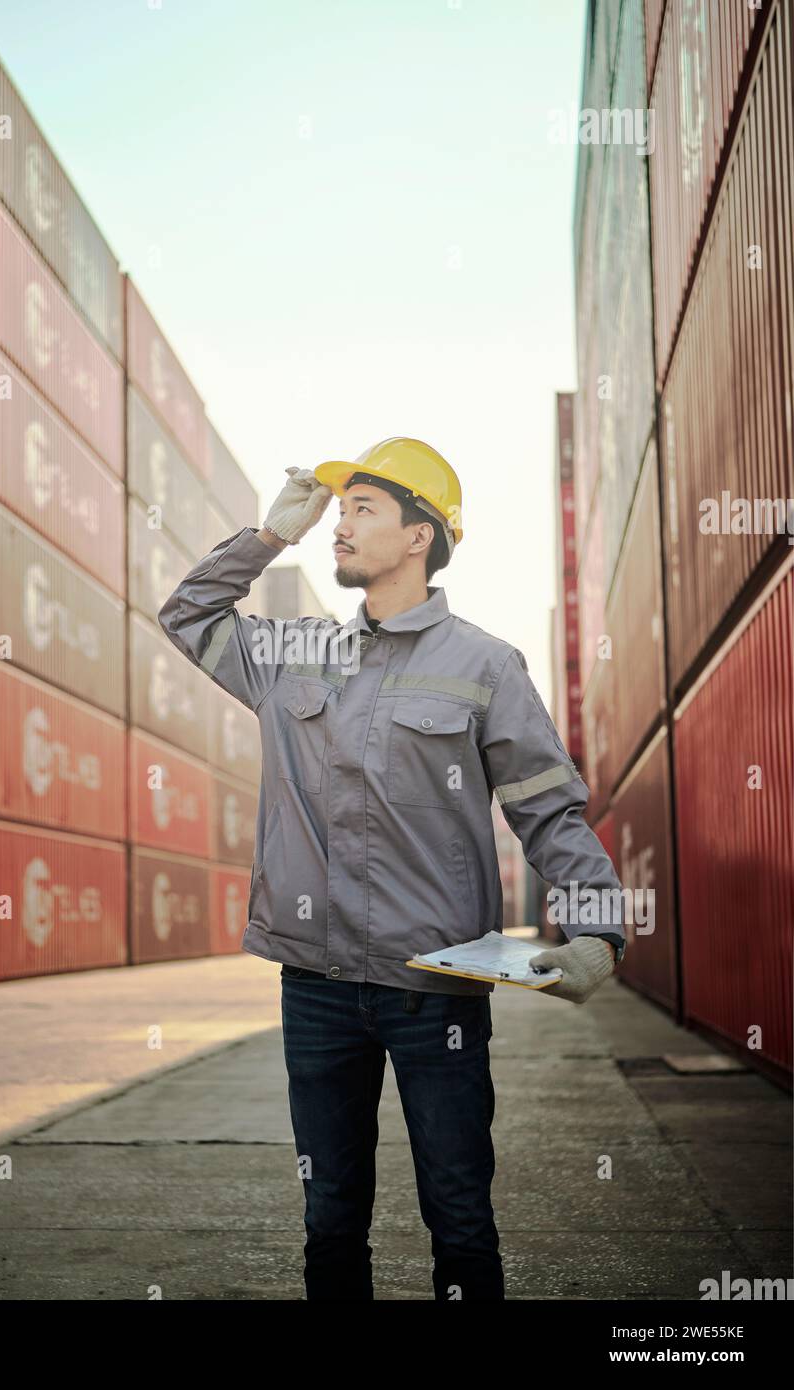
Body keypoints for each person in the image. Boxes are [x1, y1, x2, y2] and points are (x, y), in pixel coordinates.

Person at [158, 438, 626, 1301]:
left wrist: (599, 930)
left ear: (420, 536)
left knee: (457, 1210)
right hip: (316, 985)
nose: (338, 524)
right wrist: (266, 538)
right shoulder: (293, 655)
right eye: (336, 510)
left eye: (362, 509)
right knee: (329, 1214)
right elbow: (186, 616)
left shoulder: (484, 665)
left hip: (433, 991)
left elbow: (546, 809)